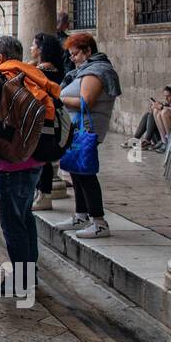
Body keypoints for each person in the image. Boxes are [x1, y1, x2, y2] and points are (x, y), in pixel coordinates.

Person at [0, 35, 55, 297]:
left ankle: (22, 280)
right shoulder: (33, 75)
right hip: (34, 159)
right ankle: (30, 275)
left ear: (0, 58)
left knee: (13, 223)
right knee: (25, 218)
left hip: (11, 163)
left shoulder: (4, 78)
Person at [61, 31, 122, 239]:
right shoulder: (86, 70)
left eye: (75, 54)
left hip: (86, 128)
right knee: (76, 171)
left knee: (85, 173)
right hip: (78, 127)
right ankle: (81, 215)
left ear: (87, 51)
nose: (72, 58)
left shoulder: (95, 71)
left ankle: (99, 221)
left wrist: (59, 99)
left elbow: (85, 102)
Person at [30, 32, 67, 210]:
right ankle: (43, 194)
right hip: (52, 118)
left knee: (41, 156)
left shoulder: (41, 72)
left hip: (44, 118)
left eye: (33, 45)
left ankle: (44, 195)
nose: (31, 48)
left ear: (40, 50)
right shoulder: (55, 70)